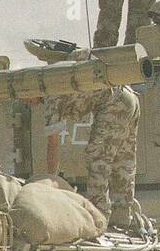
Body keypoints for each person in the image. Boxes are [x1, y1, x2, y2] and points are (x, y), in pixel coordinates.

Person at [42, 65, 142, 231]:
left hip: (113, 103)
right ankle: (122, 215)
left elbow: (53, 143)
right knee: (124, 160)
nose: (26, 103)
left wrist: (50, 180)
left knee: (97, 158)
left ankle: (99, 216)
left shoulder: (51, 97)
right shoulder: (56, 79)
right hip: (129, 97)